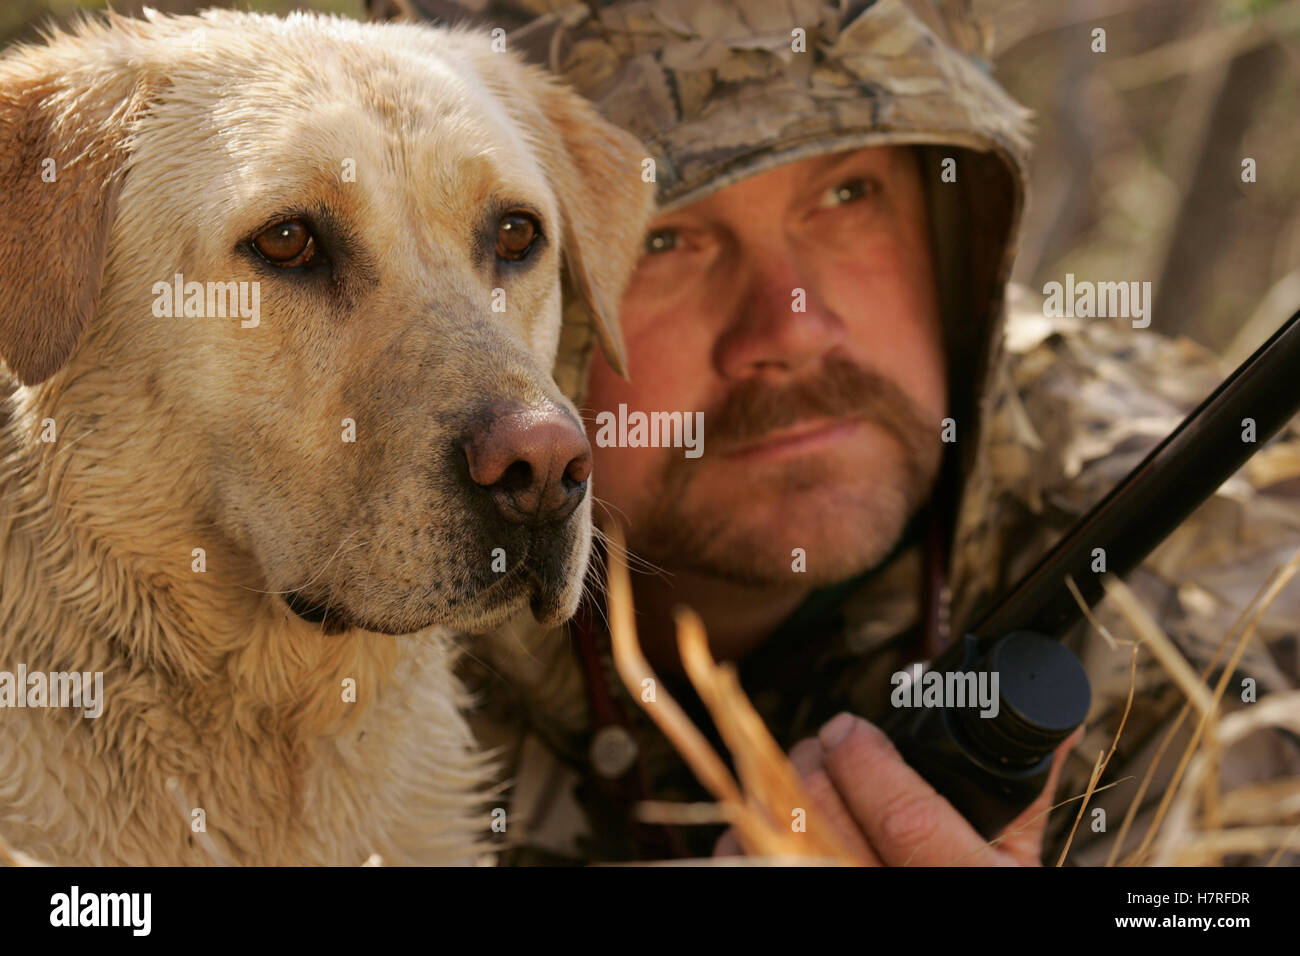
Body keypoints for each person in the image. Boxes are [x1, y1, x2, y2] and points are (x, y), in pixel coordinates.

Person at [371, 0, 1300, 865]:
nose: (793, 326)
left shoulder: (1201, 560)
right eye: (664, 241)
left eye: (848, 195)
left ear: (952, 231)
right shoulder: (345, 622)